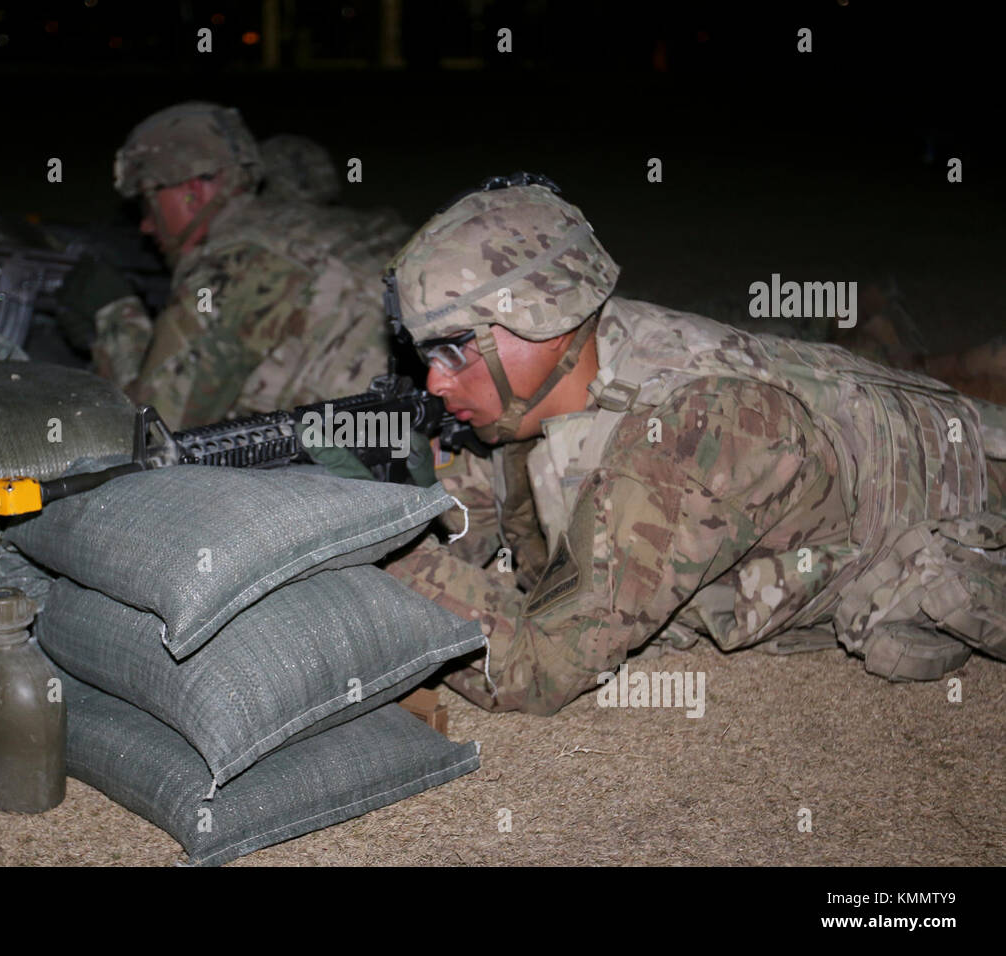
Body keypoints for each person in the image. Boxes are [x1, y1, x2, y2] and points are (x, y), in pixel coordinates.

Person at [380, 174, 1006, 717]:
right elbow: (465, 522)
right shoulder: (558, 379)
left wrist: (370, 560)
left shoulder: (688, 434)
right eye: (426, 353)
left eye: (455, 348)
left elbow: (536, 668)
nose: (435, 382)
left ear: (543, 322)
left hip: (974, 488)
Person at [91, 102, 409, 429]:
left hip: (365, 458)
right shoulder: (328, 226)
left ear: (193, 191)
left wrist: (116, 316)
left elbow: (154, 428)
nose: (145, 224)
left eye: (148, 199)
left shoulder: (232, 266)